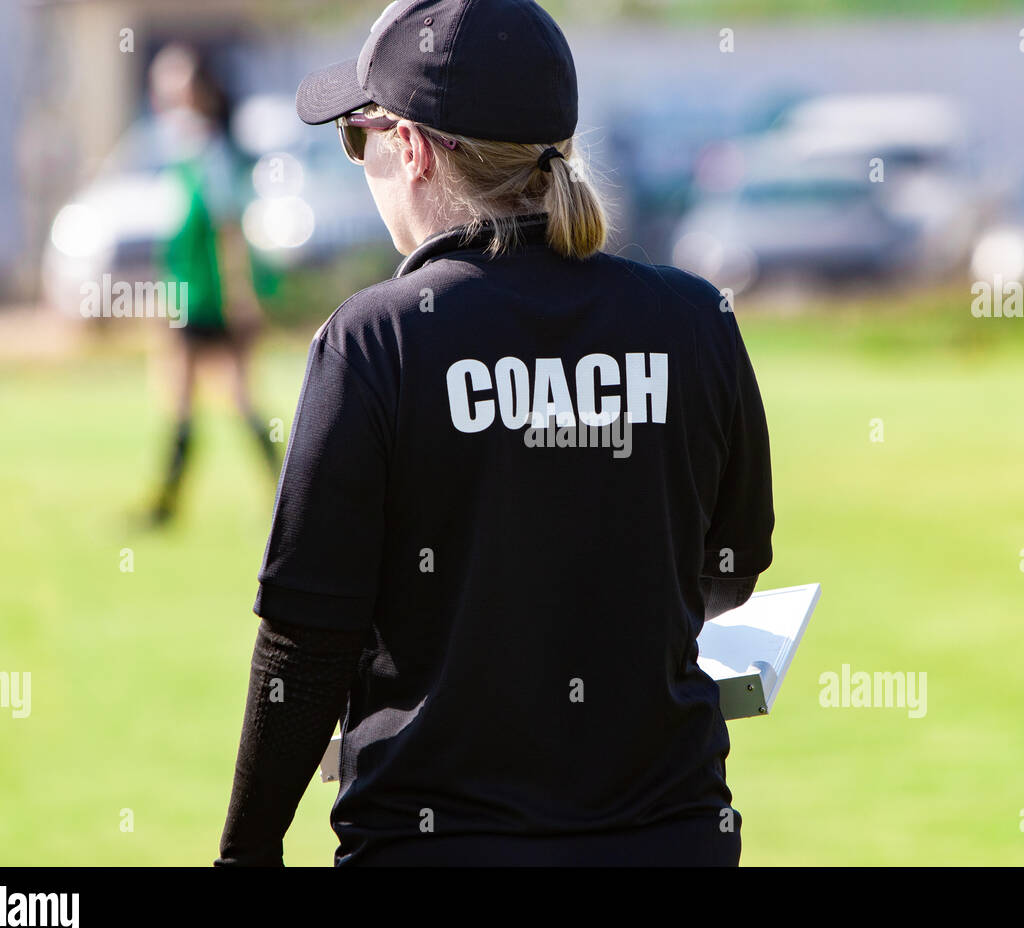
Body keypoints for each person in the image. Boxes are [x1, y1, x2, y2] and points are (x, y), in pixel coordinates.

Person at [216, 0, 773, 867]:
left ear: (411, 147)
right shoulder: (697, 317)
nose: (361, 161)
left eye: (356, 136)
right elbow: (732, 568)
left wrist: (244, 855)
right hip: (672, 839)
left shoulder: (377, 339)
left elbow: (306, 639)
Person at [144, 43, 280, 526]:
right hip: (187, 295)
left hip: (215, 298)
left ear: (199, 91)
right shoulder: (180, 145)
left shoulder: (214, 152)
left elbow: (228, 231)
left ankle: (291, 492)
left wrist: (241, 297)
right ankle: (165, 505)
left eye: (174, 81)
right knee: (178, 398)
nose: (163, 90)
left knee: (239, 398)